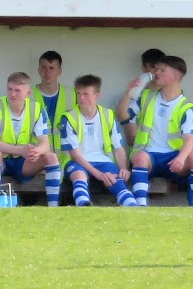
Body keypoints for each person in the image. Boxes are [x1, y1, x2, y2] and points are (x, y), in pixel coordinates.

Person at [127, 54, 193, 207]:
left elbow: (189, 139)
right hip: (149, 155)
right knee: (139, 157)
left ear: (175, 76)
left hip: (172, 157)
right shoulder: (145, 96)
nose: (156, 73)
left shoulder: (187, 108)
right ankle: (139, 206)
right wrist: (130, 92)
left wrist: (181, 158)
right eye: (156, 69)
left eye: (162, 70)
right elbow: (123, 114)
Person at [57, 73, 139, 207]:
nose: (81, 98)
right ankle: (84, 205)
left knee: (116, 180)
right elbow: (75, 155)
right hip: (76, 161)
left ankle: (133, 207)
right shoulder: (68, 117)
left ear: (97, 95)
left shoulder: (108, 115)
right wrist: (99, 175)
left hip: (103, 160)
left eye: (86, 94)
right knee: (79, 176)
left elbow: (118, 147)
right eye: (78, 94)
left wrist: (123, 168)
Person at [0, 71, 61, 207]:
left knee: (51, 157)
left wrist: (35, 151)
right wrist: (21, 150)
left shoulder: (36, 109)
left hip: (22, 161)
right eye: (10, 89)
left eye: (17, 91)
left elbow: (45, 145)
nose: (12, 94)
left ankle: (53, 207)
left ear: (28, 93)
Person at [116, 47, 165, 145]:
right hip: (145, 153)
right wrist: (129, 92)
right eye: (152, 66)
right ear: (144, 68)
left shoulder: (173, 96)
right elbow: (131, 137)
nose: (156, 71)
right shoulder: (137, 98)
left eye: (160, 68)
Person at [33, 50, 78, 139]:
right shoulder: (27, 94)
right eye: (44, 67)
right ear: (38, 70)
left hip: (65, 151)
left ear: (59, 71)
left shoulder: (73, 94)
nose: (47, 72)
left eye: (51, 68)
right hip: (38, 151)